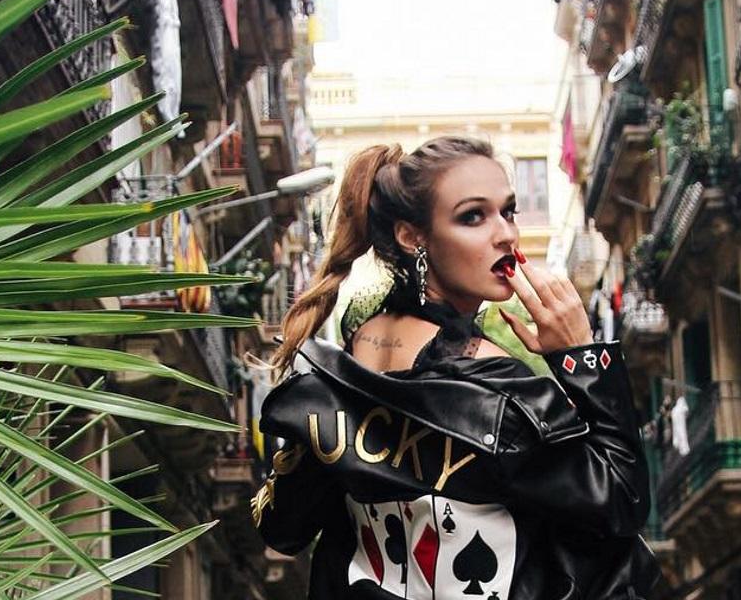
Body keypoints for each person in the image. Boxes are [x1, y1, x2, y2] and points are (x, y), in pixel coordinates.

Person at [252, 137, 658, 599]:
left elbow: (283, 528)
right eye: (473, 217)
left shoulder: (348, 364)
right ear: (412, 237)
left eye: (508, 212)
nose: (505, 235)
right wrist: (582, 355)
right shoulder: (495, 391)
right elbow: (623, 499)